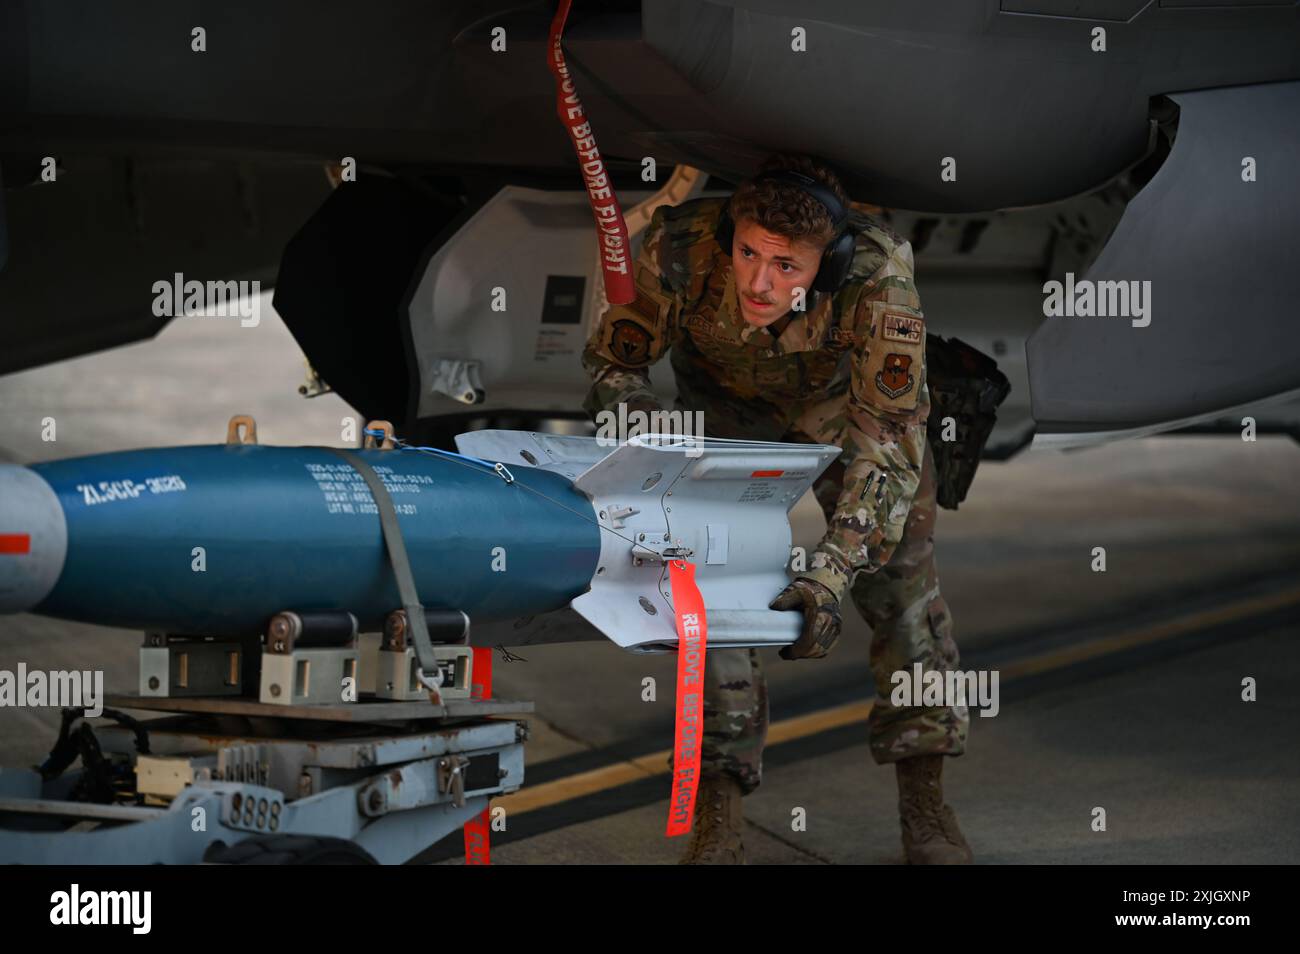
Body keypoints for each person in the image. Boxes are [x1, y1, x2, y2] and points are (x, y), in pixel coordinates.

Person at [581, 154, 972, 864]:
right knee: (713, 602)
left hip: (845, 413)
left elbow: (884, 441)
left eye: (787, 267)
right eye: (749, 254)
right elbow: (616, 361)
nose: (760, 283)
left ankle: (925, 804)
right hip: (725, 416)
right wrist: (648, 434)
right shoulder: (679, 248)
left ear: (826, 264)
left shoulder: (877, 279)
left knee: (902, 582)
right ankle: (719, 813)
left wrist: (830, 573)